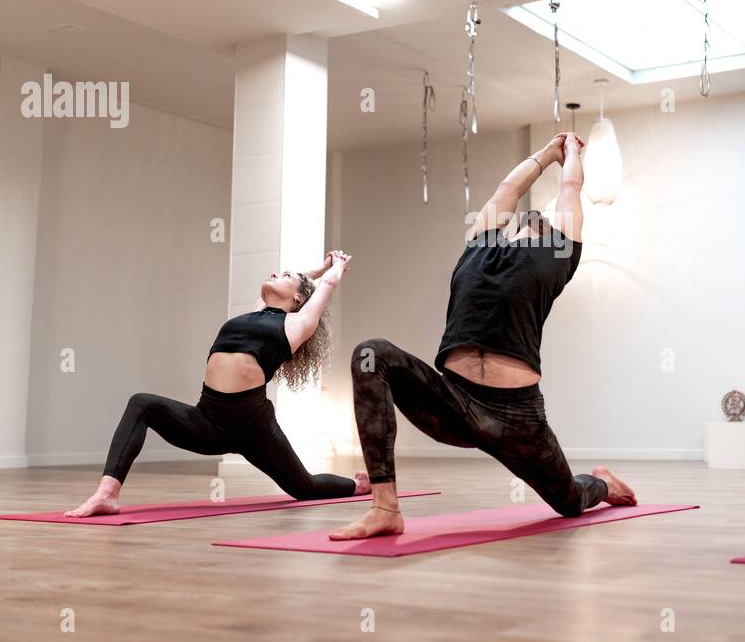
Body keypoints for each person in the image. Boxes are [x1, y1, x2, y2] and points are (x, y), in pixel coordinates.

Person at [330, 132, 635, 540]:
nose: (533, 219)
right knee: (371, 354)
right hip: (454, 403)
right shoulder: (479, 246)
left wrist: (573, 154)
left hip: (517, 417)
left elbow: (570, 187)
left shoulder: (558, 255)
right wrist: (545, 155)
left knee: (569, 502)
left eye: (541, 221)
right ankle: (385, 508)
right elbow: (508, 189)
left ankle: (602, 484)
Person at [65, 251, 367, 517]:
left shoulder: (296, 325)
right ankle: (107, 493)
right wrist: (311, 271)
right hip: (207, 423)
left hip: (254, 428)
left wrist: (334, 268)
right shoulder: (253, 314)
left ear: (299, 299)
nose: (274, 273)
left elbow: (325, 287)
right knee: (141, 403)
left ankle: (359, 484)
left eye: (285, 275)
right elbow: (296, 287)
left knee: (306, 487)